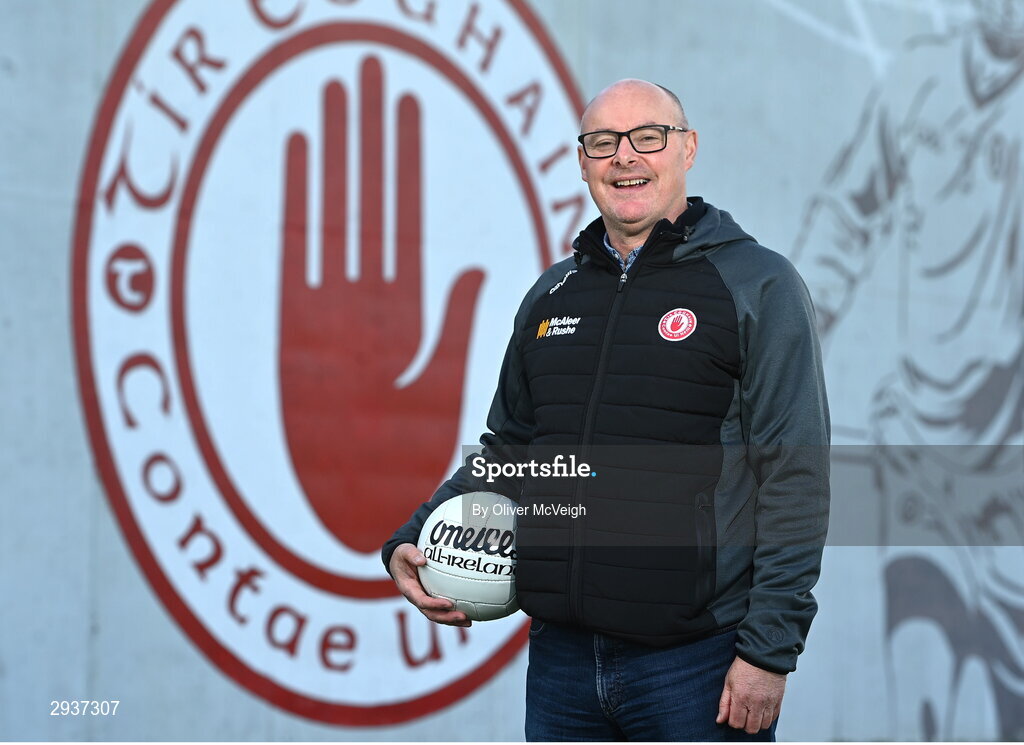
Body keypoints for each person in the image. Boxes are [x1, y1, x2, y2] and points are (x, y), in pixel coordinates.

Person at [383, 78, 830, 741]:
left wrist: (768, 650)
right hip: (563, 663)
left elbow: (794, 477)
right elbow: (512, 445)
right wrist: (415, 533)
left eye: (647, 137)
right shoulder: (550, 295)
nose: (625, 157)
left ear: (687, 150)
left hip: (697, 666)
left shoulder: (757, 286)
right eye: (603, 142)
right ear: (583, 161)